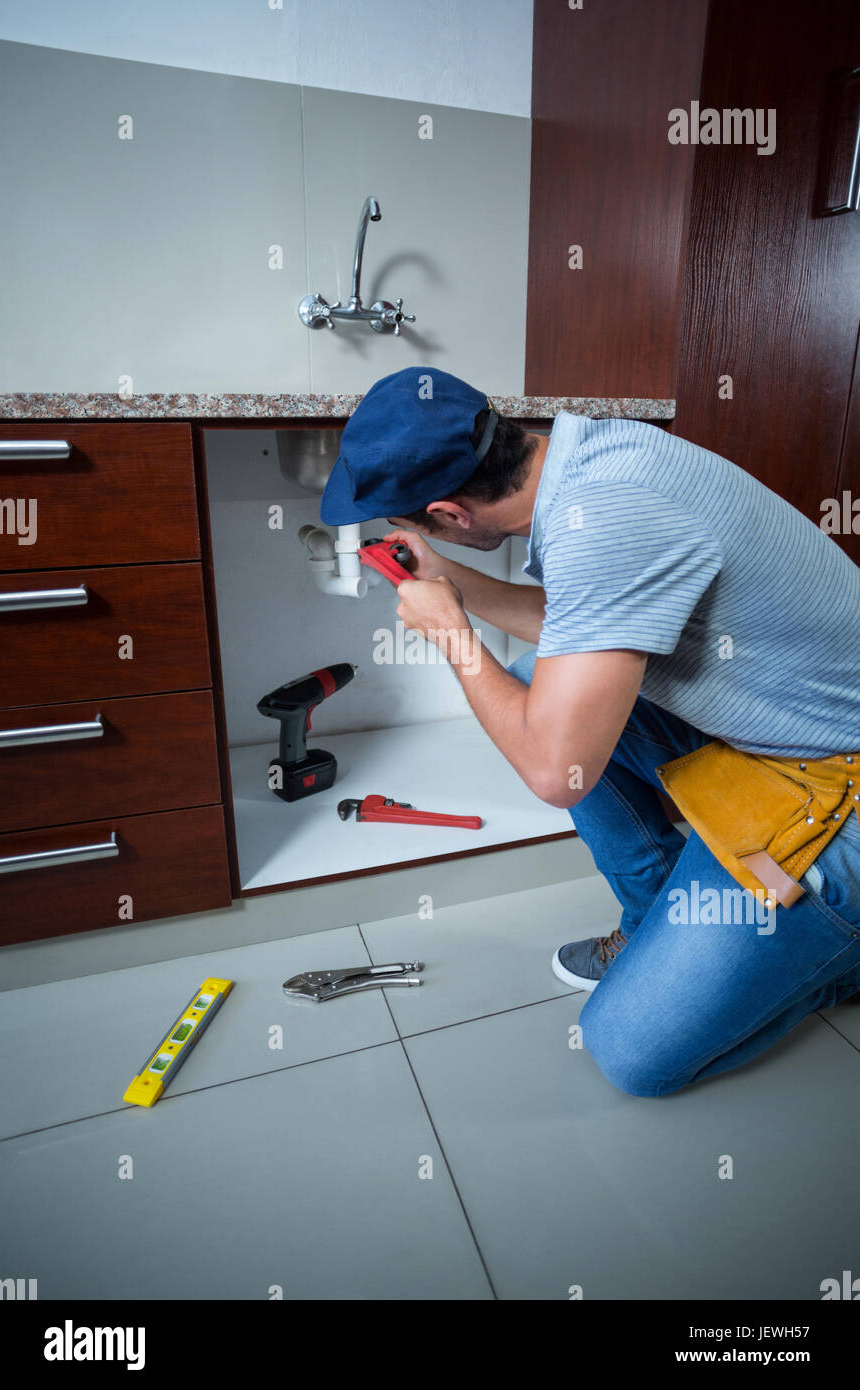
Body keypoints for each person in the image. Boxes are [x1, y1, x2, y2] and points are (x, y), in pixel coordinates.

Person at [320, 366, 860, 1097]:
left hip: (836, 789)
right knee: (534, 668)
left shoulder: (604, 522)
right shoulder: (590, 454)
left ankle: (830, 962)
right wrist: (459, 590)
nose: (413, 531)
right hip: (788, 728)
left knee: (630, 1052)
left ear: (450, 511)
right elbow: (588, 626)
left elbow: (554, 771)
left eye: (414, 521)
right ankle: (652, 918)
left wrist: (452, 636)